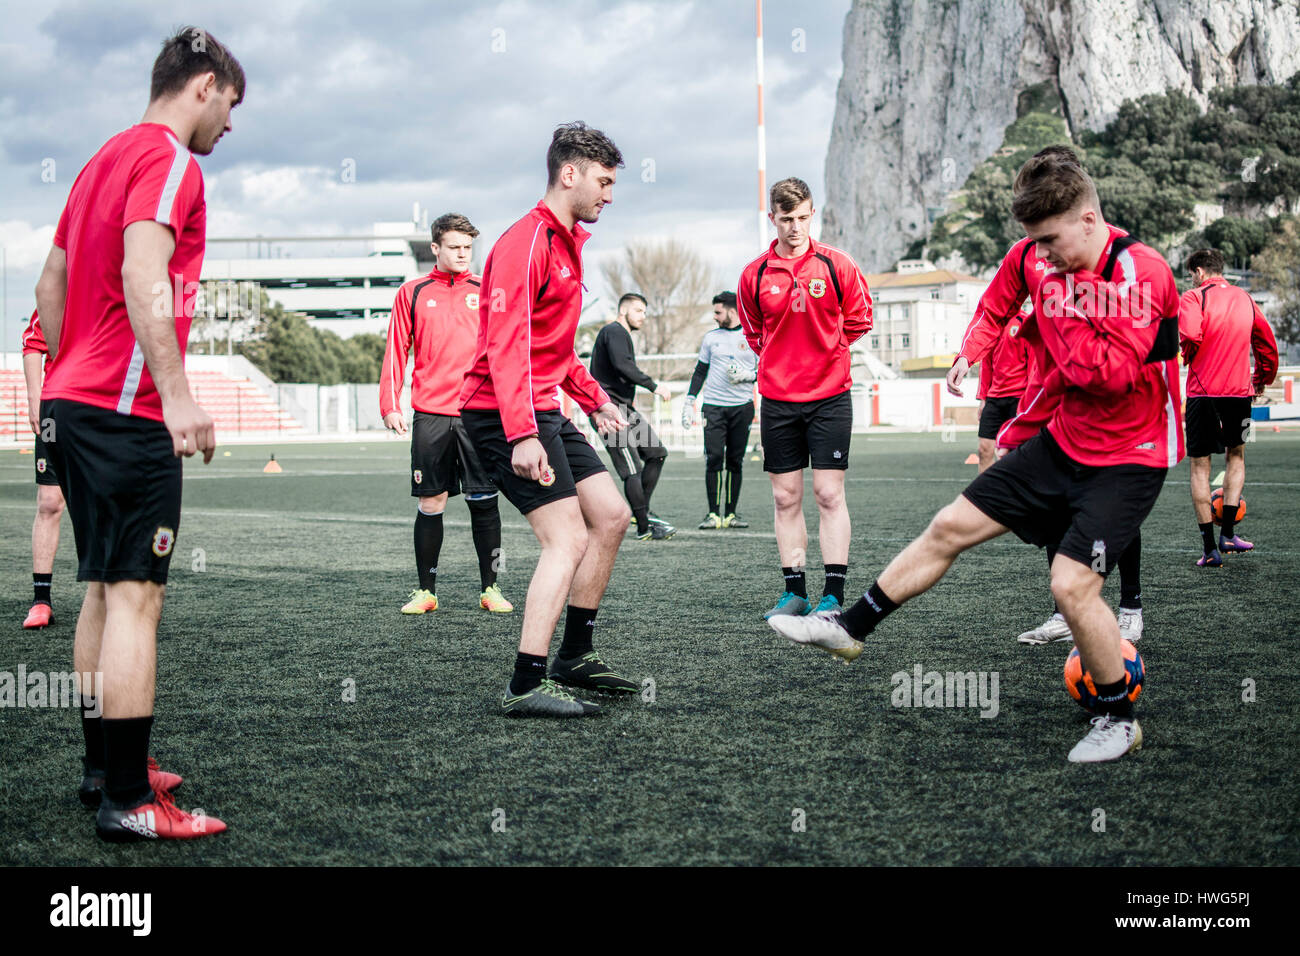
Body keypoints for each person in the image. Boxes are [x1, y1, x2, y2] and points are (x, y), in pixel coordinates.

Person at [771, 148, 1183, 763]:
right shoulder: (1032, 260)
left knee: (1070, 585)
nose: (1042, 255)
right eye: (1033, 244)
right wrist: (975, 349)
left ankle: (1117, 718)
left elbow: (1110, 375)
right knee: (950, 525)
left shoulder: (1140, 273)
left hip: (1130, 454)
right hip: (1063, 440)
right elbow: (997, 303)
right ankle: (848, 628)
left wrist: (1055, 320)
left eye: (1051, 241)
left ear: (1090, 219)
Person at [33, 26, 242, 838]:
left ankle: (104, 769)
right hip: (126, 414)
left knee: (98, 587)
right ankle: (130, 802)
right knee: (134, 598)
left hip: (75, 403)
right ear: (203, 85)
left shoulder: (96, 161)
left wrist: (68, 379)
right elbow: (142, 270)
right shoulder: (167, 159)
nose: (231, 123)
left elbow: (51, 281)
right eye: (231, 103)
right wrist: (176, 393)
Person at [460, 122, 637, 717]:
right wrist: (522, 434)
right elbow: (507, 345)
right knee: (567, 537)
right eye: (603, 181)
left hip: (544, 408)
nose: (609, 195)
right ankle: (525, 683)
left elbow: (553, 351)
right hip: (500, 414)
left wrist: (594, 399)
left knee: (612, 517)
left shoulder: (568, 244)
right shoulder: (526, 241)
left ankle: (574, 657)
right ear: (570, 174)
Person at [947, 145, 1147, 646]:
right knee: (1057, 506)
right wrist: (967, 356)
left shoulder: (1120, 255)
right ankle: (1065, 609)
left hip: (1107, 406)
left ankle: (1129, 605)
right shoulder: (1025, 255)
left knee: (1111, 503)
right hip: (1047, 402)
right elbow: (992, 311)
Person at [737, 177, 872, 619]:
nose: (794, 227)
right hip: (778, 400)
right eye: (785, 218)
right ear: (771, 217)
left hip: (830, 397)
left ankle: (833, 594)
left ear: (812, 214)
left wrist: (825, 353)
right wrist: (785, 362)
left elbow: (858, 321)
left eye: (801, 217)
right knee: (784, 498)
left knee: (829, 494)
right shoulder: (753, 275)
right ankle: (794, 591)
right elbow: (755, 334)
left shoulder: (837, 265)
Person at [380, 212, 514, 614]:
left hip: (478, 412)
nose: (462, 254)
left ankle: (490, 589)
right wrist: (390, 404)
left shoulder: (486, 290)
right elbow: (395, 351)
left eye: (468, 247)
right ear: (435, 248)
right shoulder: (413, 292)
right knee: (431, 500)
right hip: (431, 414)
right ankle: (426, 591)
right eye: (454, 247)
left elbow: (505, 349)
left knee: (484, 499)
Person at [1179, 248, 1278, 566]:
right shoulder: (1246, 298)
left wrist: (1192, 352)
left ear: (1197, 272)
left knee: (1200, 466)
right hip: (1239, 394)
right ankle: (1229, 535)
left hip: (1202, 394)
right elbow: (1267, 343)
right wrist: (1261, 378)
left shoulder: (1193, 298)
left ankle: (1210, 550)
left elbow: (1190, 334)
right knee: (1237, 456)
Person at [588, 292, 674, 539]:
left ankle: (642, 513)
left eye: (645, 312)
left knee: (657, 453)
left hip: (625, 409)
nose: (643, 317)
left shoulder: (621, 334)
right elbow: (623, 366)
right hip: (609, 411)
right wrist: (654, 386)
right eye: (639, 311)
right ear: (623, 310)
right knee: (632, 469)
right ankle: (644, 528)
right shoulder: (613, 331)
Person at [683, 291, 757, 528]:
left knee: (735, 461)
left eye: (718, 312)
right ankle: (713, 514)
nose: (714, 316)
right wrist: (689, 400)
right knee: (714, 459)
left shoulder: (753, 336)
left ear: (732, 311)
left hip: (742, 408)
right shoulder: (710, 338)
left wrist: (749, 376)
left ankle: (731, 514)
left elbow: (767, 370)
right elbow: (700, 371)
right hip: (713, 407)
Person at [21, 309, 66, 630]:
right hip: (57, 410)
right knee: (49, 503)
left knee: (107, 501)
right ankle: (41, 599)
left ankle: (112, 596)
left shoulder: (128, 283)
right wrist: (36, 397)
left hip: (104, 408)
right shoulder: (63, 282)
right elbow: (33, 343)